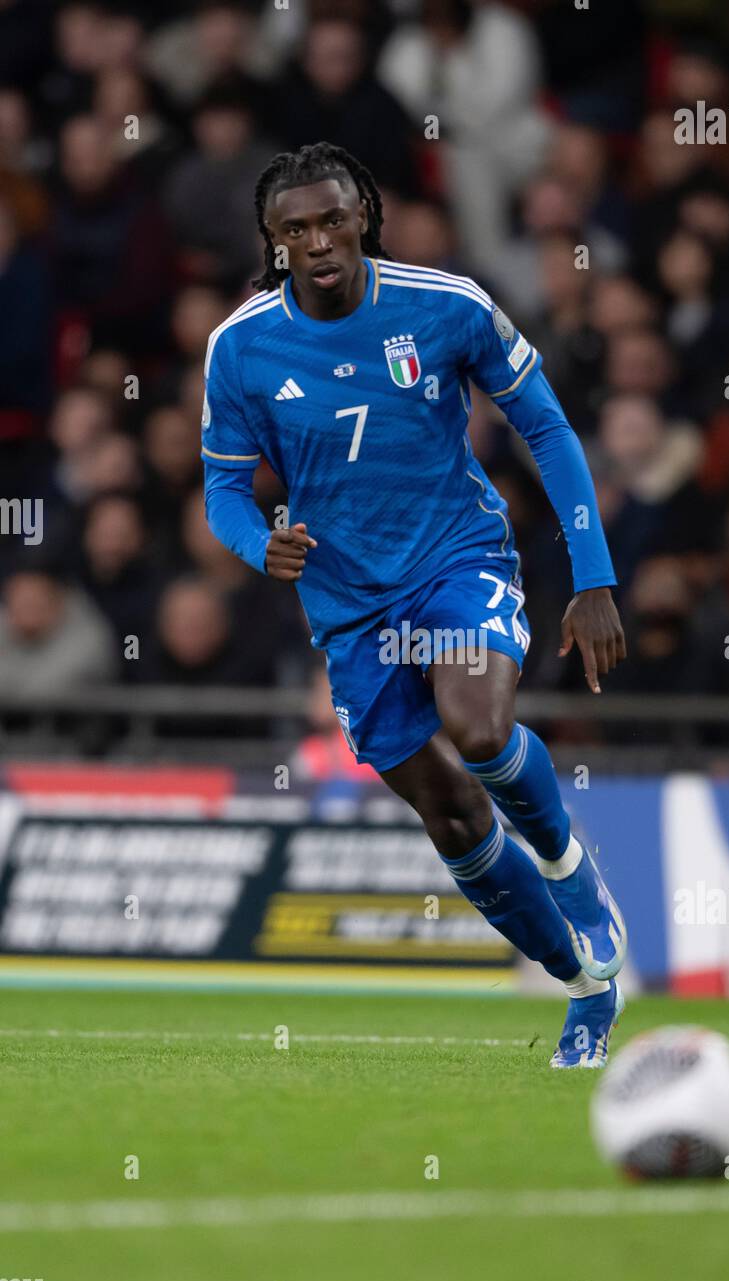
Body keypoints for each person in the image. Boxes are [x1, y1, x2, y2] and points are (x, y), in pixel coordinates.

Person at [202, 142, 628, 1069]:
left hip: (454, 557)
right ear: (274, 244)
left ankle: (567, 866)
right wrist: (253, 541)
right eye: (296, 229)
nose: (319, 241)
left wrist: (592, 575)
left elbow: (546, 426)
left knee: (476, 728)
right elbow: (224, 488)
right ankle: (586, 987)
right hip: (348, 605)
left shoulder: (447, 307)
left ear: (365, 216)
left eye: (333, 218)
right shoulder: (238, 348)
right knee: (452, 815)